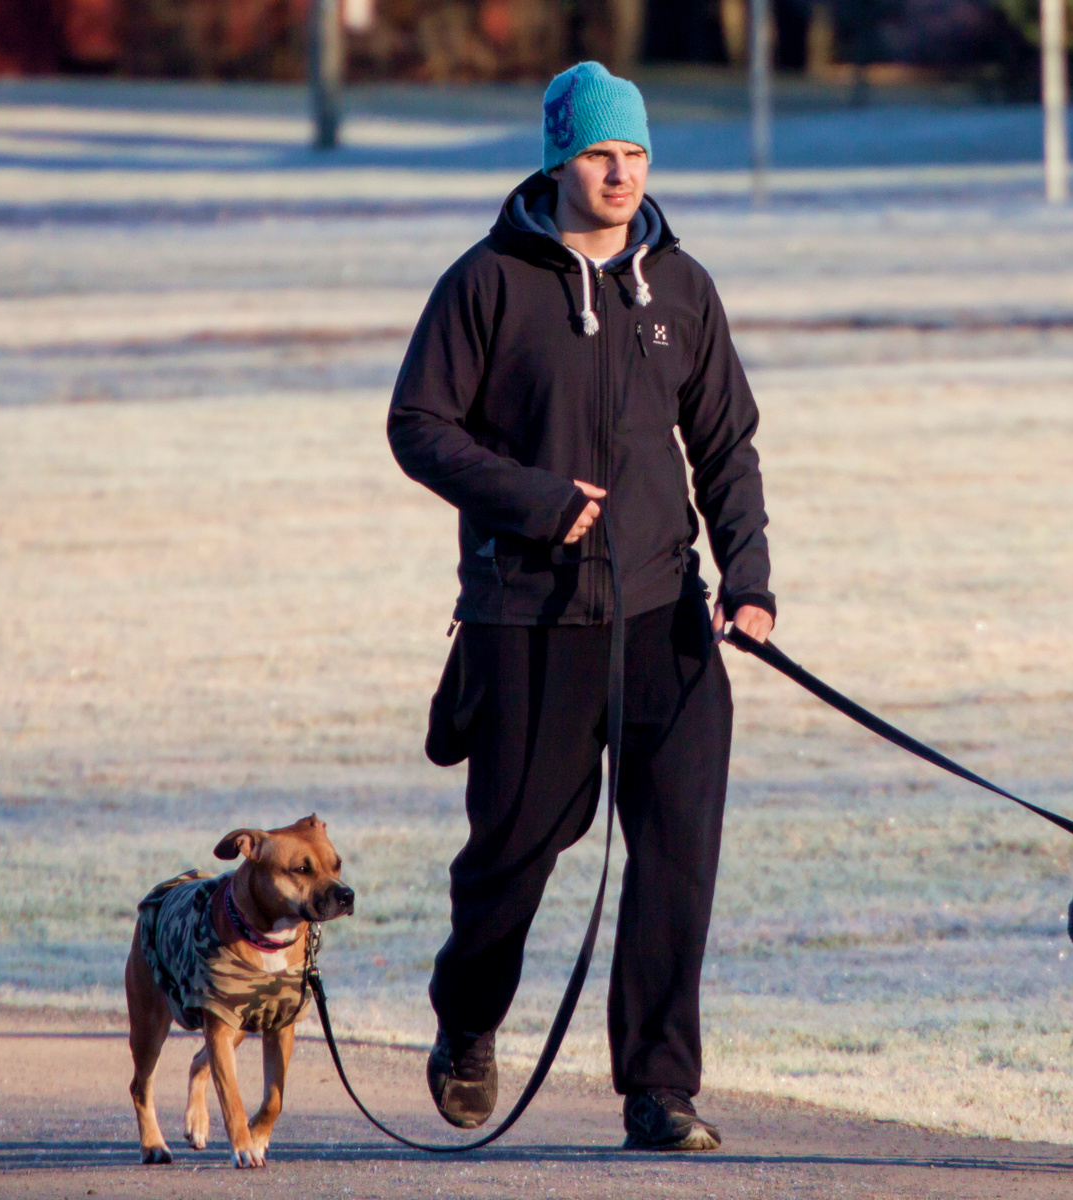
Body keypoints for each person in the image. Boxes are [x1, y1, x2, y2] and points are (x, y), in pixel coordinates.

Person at [386, 61, 775, 1152]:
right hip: (527, 619)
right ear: (561, 157)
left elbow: (726, 446)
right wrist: (536, 500)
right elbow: (418, 425)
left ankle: (658, 1088)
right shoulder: (487, 282)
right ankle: (467, 1021)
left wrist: (747, 581)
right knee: (514, 851)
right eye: (601, 154)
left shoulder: (682, 287)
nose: (620, 172)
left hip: (667, 615)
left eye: (636, 154)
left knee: (677, 856)